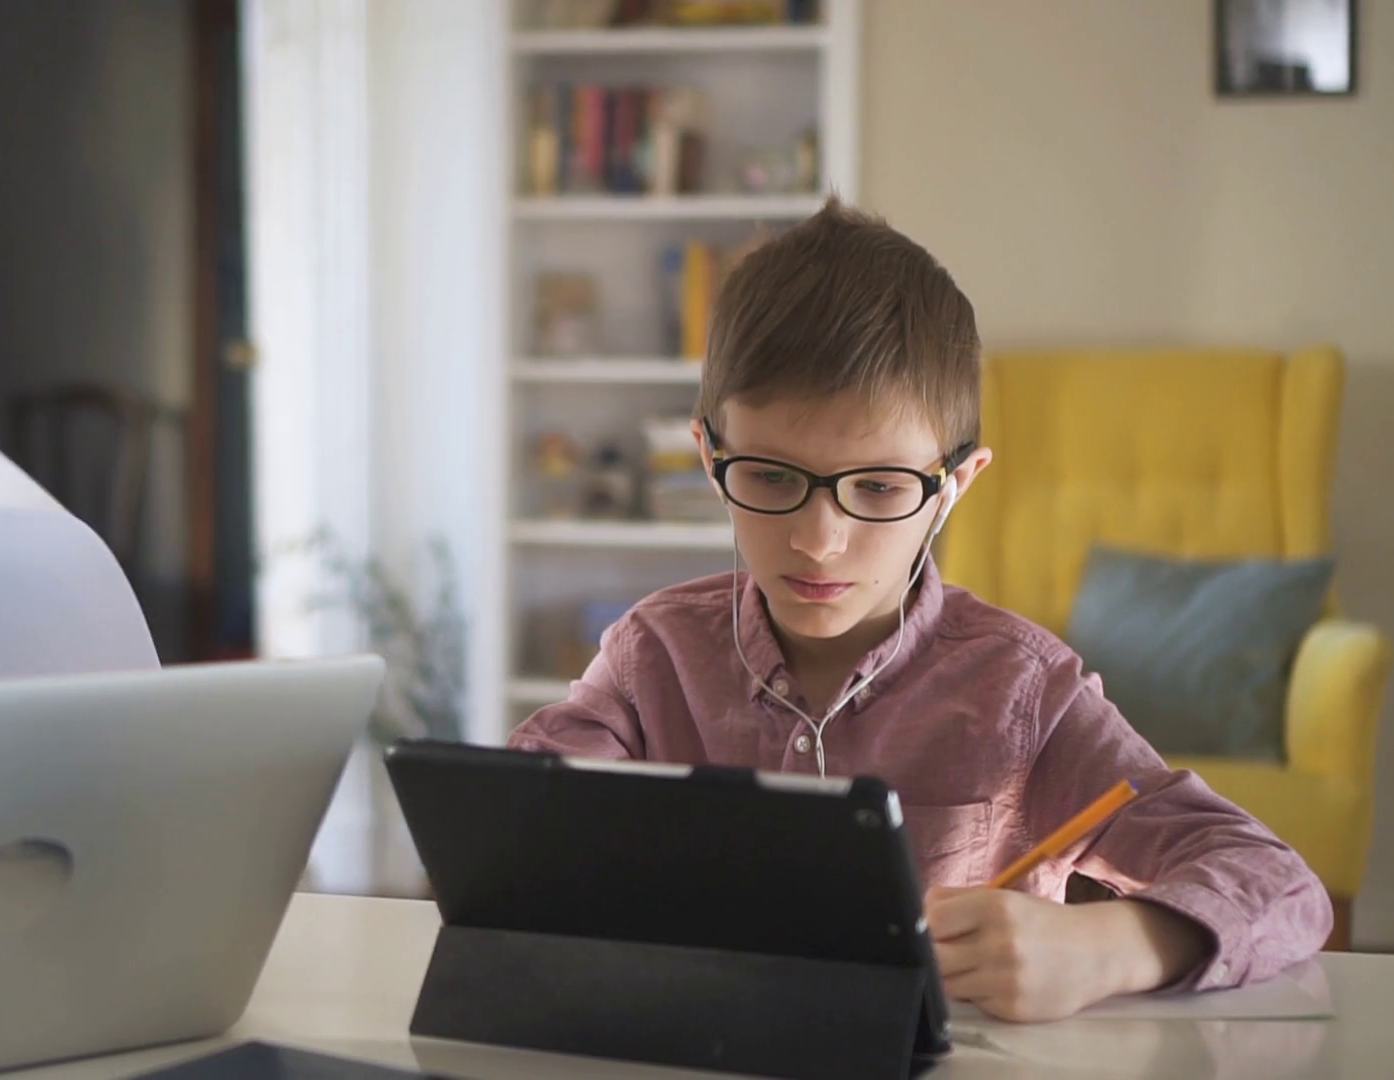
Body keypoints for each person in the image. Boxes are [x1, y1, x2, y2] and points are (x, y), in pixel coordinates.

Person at [508, 199, 1330, 1023]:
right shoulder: (653, 655)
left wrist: (1108, 947)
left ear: (954, 487)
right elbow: (510, 826)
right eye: (770, 477)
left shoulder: (1024, 691)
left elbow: (1281, 885)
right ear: (708, 456)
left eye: (878, 487)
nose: (818, 541)